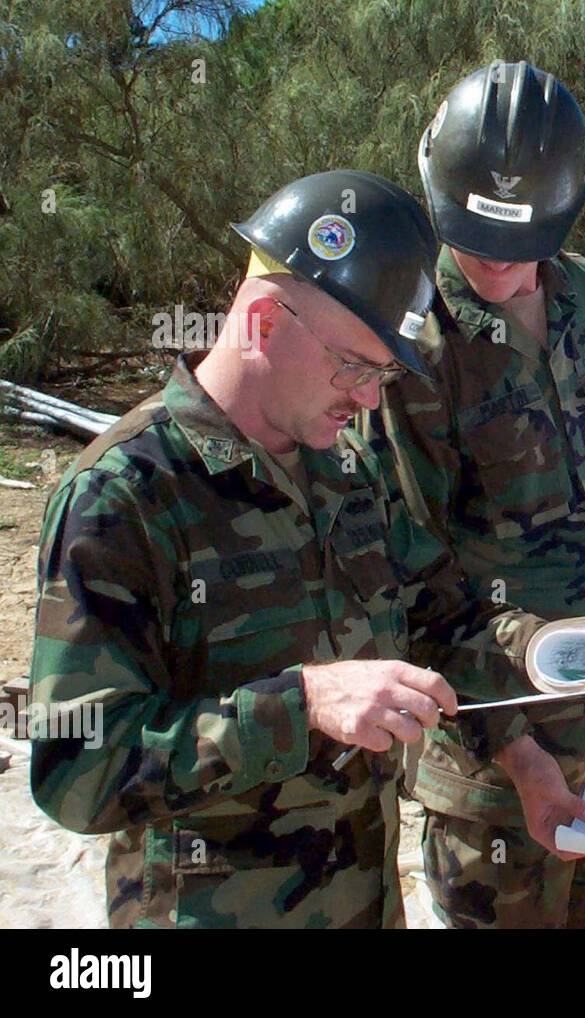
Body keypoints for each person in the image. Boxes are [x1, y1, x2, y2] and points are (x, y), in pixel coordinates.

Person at [28, 170, 538, 929]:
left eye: (385, 374)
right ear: (264, 323)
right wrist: (302, 705)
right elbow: (77, 770)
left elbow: (444, 621)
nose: (370, 399)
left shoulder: (350, 472)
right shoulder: (128, 493)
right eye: (357, 366)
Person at [366, 60, 585, 929]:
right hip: (494, 758)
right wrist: (518, 757)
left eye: (523, 245)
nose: (497, 265)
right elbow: (414, 581)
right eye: (475, 237)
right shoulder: (412, 348)